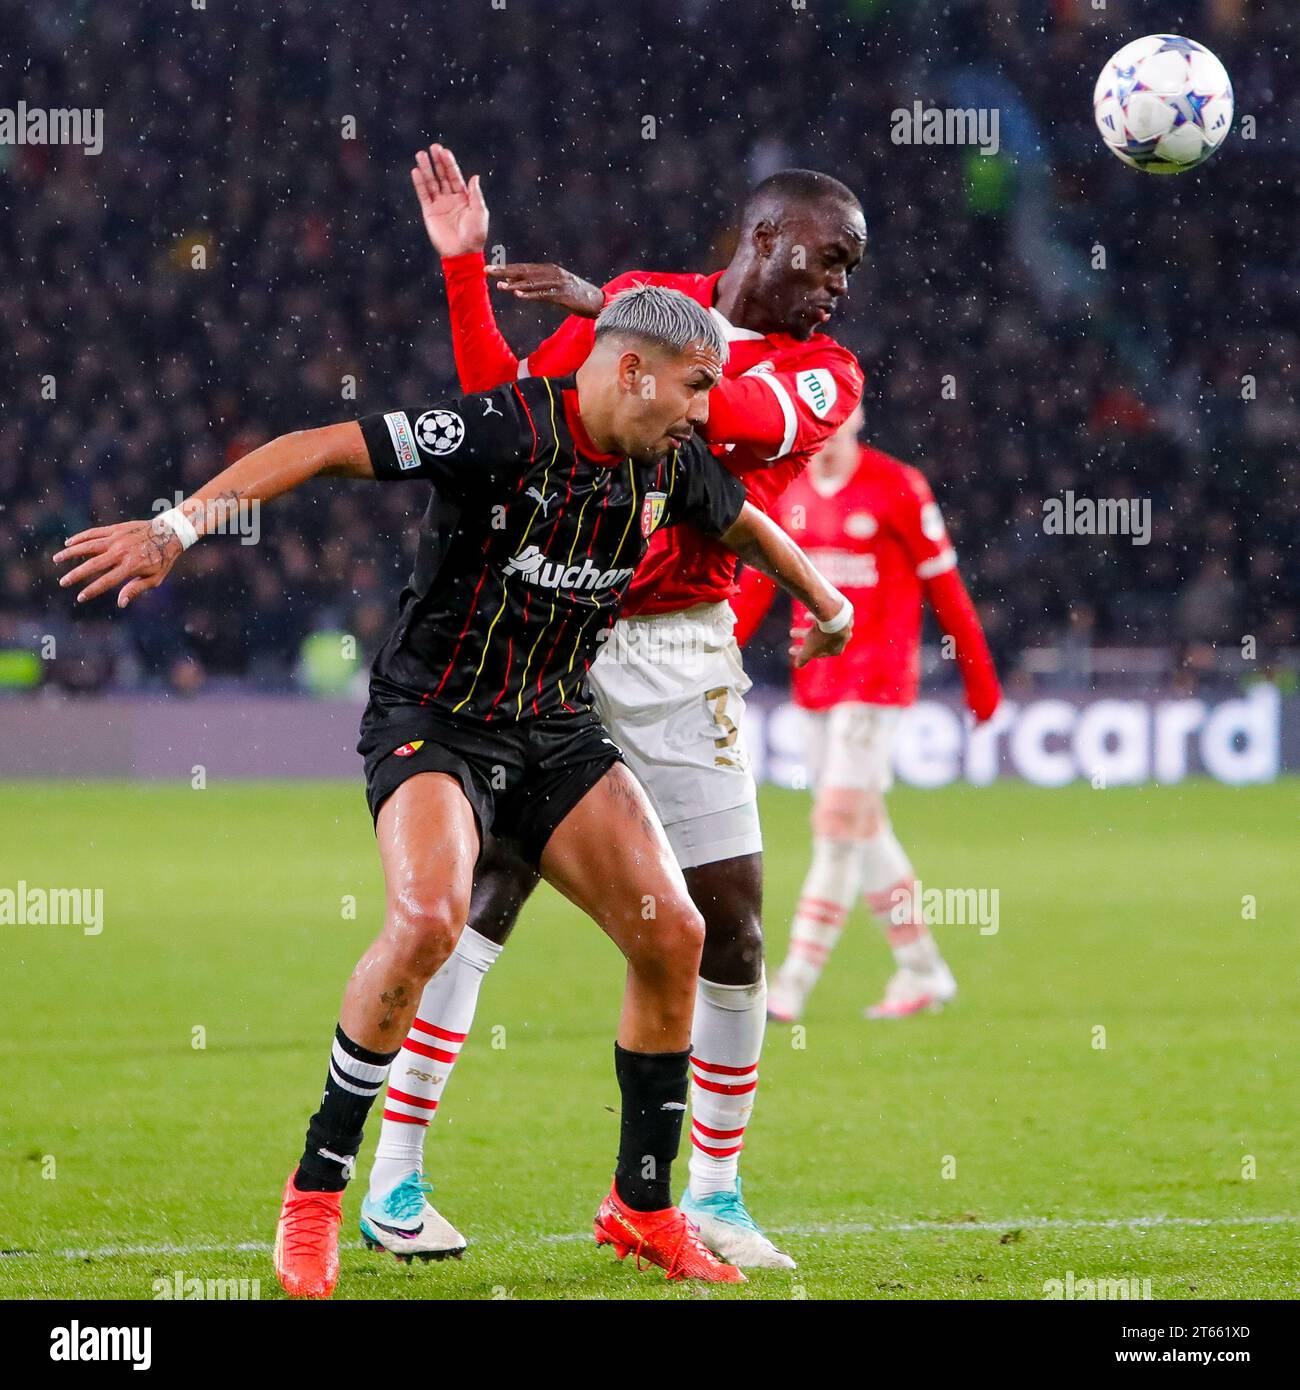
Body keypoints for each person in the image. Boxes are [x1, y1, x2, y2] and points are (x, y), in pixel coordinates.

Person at [54, 285, 854, 1295]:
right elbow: (319, 445)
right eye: (696, 389)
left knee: (675, 935)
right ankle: (314, 1194)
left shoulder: (667, 463)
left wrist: (826, 600)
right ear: (631, 370)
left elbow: (743, 529)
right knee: (429, 920)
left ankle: (642, 1207)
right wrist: (180, 526)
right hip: (435, 720)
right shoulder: (502, 428)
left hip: (554, 730)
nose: (704, 413)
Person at [359, 144, 867, 1271]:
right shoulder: (651, 306)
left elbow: (726, 411)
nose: (839, 284)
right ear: (763, 239)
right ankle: (394, 1178)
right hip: (556, 634)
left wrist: (611, 318)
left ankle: (715, 1194)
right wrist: (460, 270)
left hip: (687, 655)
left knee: (728, 923)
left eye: (850, 269)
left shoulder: (827, 369)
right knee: (483, 895)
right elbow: (509, 408)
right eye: (829, 258)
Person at [730, 406, 1001, 1021]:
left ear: (857, 421)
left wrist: (981, 683)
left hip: (877, 684)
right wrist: (719, 658)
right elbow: (761, 585)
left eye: (836, 425)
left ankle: (792, 984)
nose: (824, 440)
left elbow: (946, 587)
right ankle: (924, 970)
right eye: (816, 427)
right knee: (862, 830)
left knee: (834, 823)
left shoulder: (899, 486)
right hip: (815, 683)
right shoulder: (790, 486)